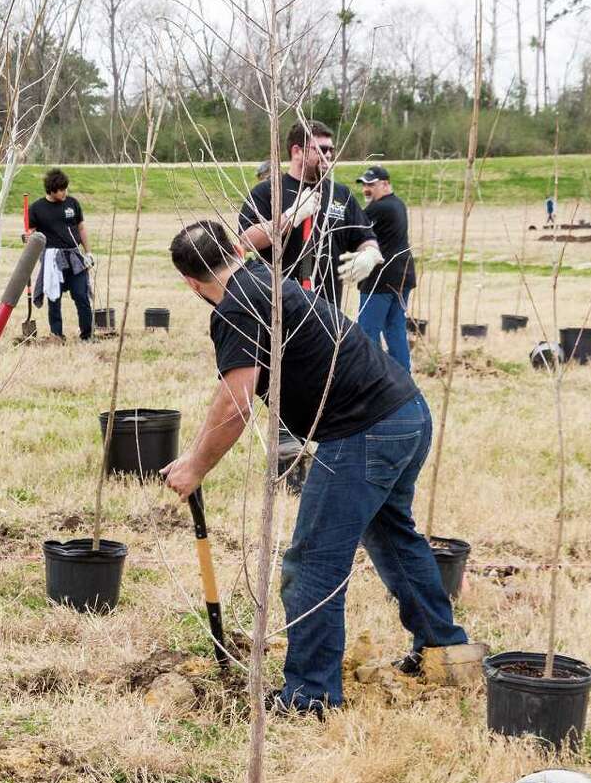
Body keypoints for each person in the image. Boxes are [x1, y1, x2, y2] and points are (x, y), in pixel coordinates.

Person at [159, 219, 482, 714]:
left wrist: (196, 467)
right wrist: (195, 452)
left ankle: (310, 695)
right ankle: (447, 649)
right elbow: (231, 394)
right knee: (393, 536)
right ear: (236, 249)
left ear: (189, 283)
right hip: (406, 413)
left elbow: (236, 403)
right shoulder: (264, 281)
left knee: (311, 563)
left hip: (364, 430)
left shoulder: (237, 306)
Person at [237, 121, 380, 312]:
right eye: (321, 149)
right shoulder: (268, 191)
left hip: (327, 311)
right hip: (278, 310)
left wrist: (370, 254)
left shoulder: (340, 194)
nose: (328, 155)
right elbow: (246, 241)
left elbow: (366, 238)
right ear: (297, 151)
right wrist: (290, 217)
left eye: (331, 149)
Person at [352, 165, 416, 363]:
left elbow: (352, 229)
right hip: (402, 276)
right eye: (364, 185)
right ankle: (402, 379)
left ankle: (372, 377)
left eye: (371, 184)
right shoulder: (398, 204)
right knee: (395, 329)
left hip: (381, 279)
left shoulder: (380, 208)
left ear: (386, 185)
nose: (366, 189)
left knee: (366, 332)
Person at [25, 168, 93, 341]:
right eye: (61, 190)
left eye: (66, 189)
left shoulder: (72, 204)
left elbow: (81, 228)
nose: (65, 192)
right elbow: (31, 234)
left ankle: (87, 335)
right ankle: (57, 335)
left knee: (81, 295)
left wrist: (89, 252)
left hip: (74, 257)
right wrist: (27, 237)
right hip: (52, 259)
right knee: (54, 298)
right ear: (51, 190)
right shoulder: (37, 208)